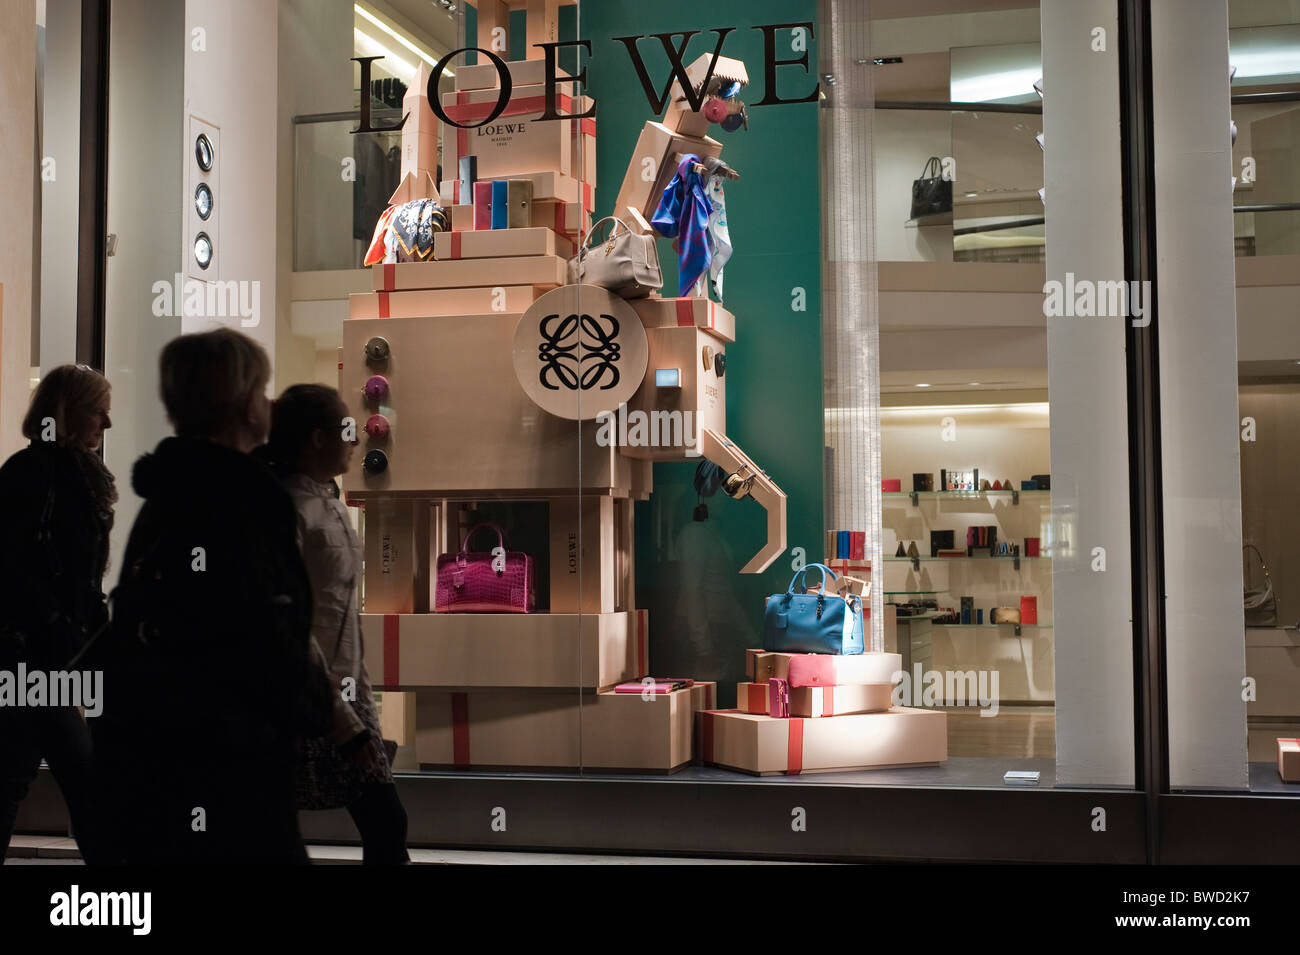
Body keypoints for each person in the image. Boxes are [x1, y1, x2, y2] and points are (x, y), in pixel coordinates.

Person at [92, 329, 332, 864]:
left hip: (154, 753)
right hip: (230, 757)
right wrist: (309, 704)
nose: (269, 402)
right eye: (261, 390)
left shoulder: (166, 494)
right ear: (243, 406)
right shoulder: (244, 499)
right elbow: (263, 624)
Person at [261, 384, 408, 864]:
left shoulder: (328, 502)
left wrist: (360, 695)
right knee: (378, 819)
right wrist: (343, 714)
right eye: (347, 428)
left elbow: (340, 611)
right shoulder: (288, 510)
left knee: (382, 819)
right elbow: (291, 623)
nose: (357, 438)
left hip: (339, 692)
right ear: (316, 439)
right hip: (306, 692)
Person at [0, 365, 115, 862]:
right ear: (66, 412)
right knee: (81, 785)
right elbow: (15, 566)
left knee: (15, 779)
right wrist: (56, 625)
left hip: (50, 660)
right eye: (97, 410)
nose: (105, 424)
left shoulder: (77, 476)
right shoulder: (37, 474)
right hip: (36, 661)